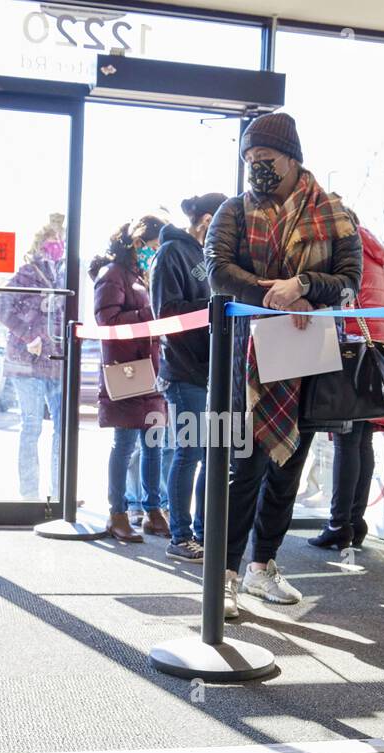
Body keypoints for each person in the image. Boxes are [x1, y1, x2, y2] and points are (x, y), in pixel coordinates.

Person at [206, 112, 362, 616]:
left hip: (308, 355)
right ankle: (224, 573)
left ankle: (262, 567)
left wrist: (306, 288)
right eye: (249, 160)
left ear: (292, 158)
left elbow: (349, 278)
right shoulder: (232, 211)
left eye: (265, 159)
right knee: (244, 468)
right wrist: (276, 296)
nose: (257, 169)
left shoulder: (335, 212)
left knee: (289, 468)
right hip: (245, 361)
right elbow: (217, 273)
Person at [308, 210, 384, 550]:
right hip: (379, 347)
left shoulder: (347, 251)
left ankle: (339, 525)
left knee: (347, 441)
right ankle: (354, 521)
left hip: (353, 346)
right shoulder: (375, 253)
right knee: (362, 440)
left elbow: (336, 295)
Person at [152, 192, 228, 562]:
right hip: (184, 370)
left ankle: (199, 531)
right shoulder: (171, 253)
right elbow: (166, 313)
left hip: (209, 369)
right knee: (189, 452)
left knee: (206, 454)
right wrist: (214, 309)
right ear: (208, 218)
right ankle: (180, 536)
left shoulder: (206, 255)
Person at [91, 216, 169, 543]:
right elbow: (106, 321)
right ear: (138, 243)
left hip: (149, 371)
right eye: (153, 247)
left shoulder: (140, 276)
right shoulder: (112, 275)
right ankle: (117, 512)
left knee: (153, 444)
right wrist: (148, 316)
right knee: (124, 445)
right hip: (126, 371)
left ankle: (153, 511)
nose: (156, 253)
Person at [0, 214, 66, 500]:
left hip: (57, 360)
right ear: (40, 242)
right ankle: (30, 494)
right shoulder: (28, 272)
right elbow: (0, 304)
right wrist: (28, 334)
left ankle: (60, 492)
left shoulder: (62, 274)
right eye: (52, 239)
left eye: (61, 239)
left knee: (62, 428)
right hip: (28, 362)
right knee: (32, 426)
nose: (57, 244)